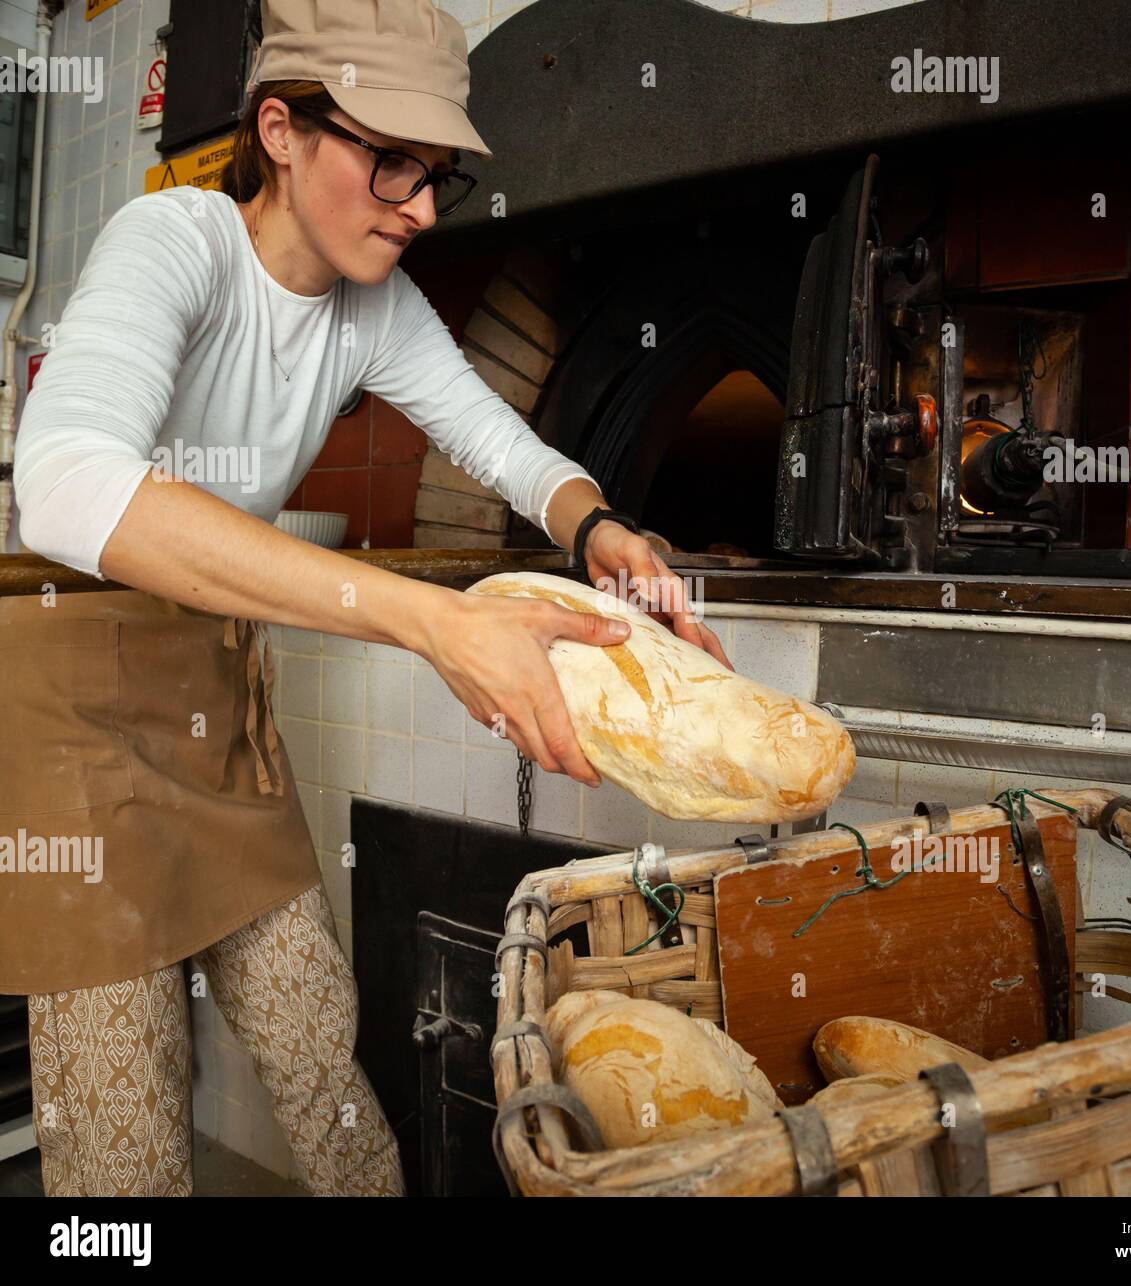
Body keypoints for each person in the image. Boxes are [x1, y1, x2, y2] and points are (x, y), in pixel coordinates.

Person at [5, 0, 728, 1197]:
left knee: (315, 1040)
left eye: (434, 172)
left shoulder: (373, 306)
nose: (422, 205)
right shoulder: (174, 239)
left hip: (212, 691)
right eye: (389, 160)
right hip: (73, 712)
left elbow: (508, 448)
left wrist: (602, 527)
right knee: (120, 1138)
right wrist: (433, 617)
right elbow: (67, 483)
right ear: (281, 131)